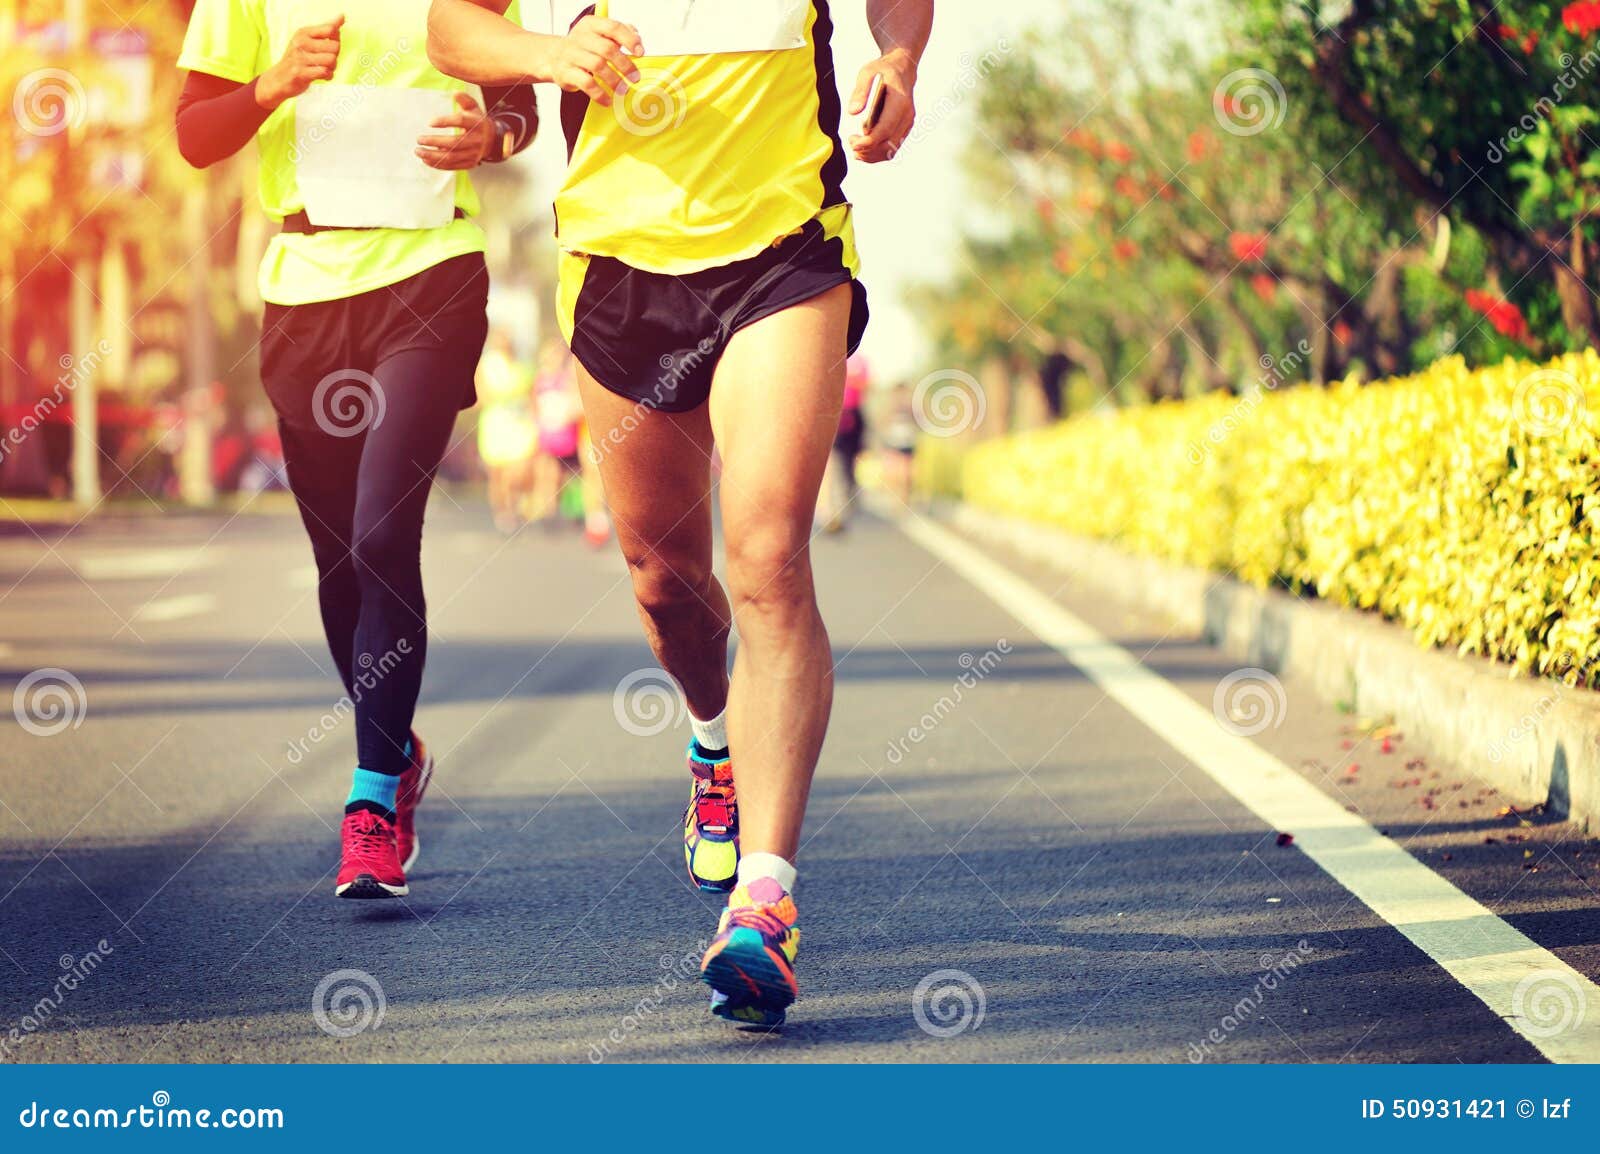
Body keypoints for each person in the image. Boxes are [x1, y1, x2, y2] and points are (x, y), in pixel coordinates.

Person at [427, 0, 932, 1024]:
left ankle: (765, 898)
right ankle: (713, 736)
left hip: (782, 253)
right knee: (664, 579)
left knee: (766, 559)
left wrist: (899, 57)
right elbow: (451, 26)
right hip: (619, 269)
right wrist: (546, 54)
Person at [176, 0, 538, 899]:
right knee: (339, 558)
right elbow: (193, 135)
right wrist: (273, 82)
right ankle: (398, 745)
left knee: (381, 534)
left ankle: (371, 804)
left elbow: (521, 103)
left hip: (431, 271)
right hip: (305, 289)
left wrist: (488, 137)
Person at [476, 331, 538, 533]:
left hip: (520, 425)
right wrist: (504, 399)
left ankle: (516, 501)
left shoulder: (523, 366)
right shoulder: (486, 365)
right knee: (498, 474)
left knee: (519, 471)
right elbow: (481, 396)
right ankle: (503, 511)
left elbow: (532, 396)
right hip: (495, 424)